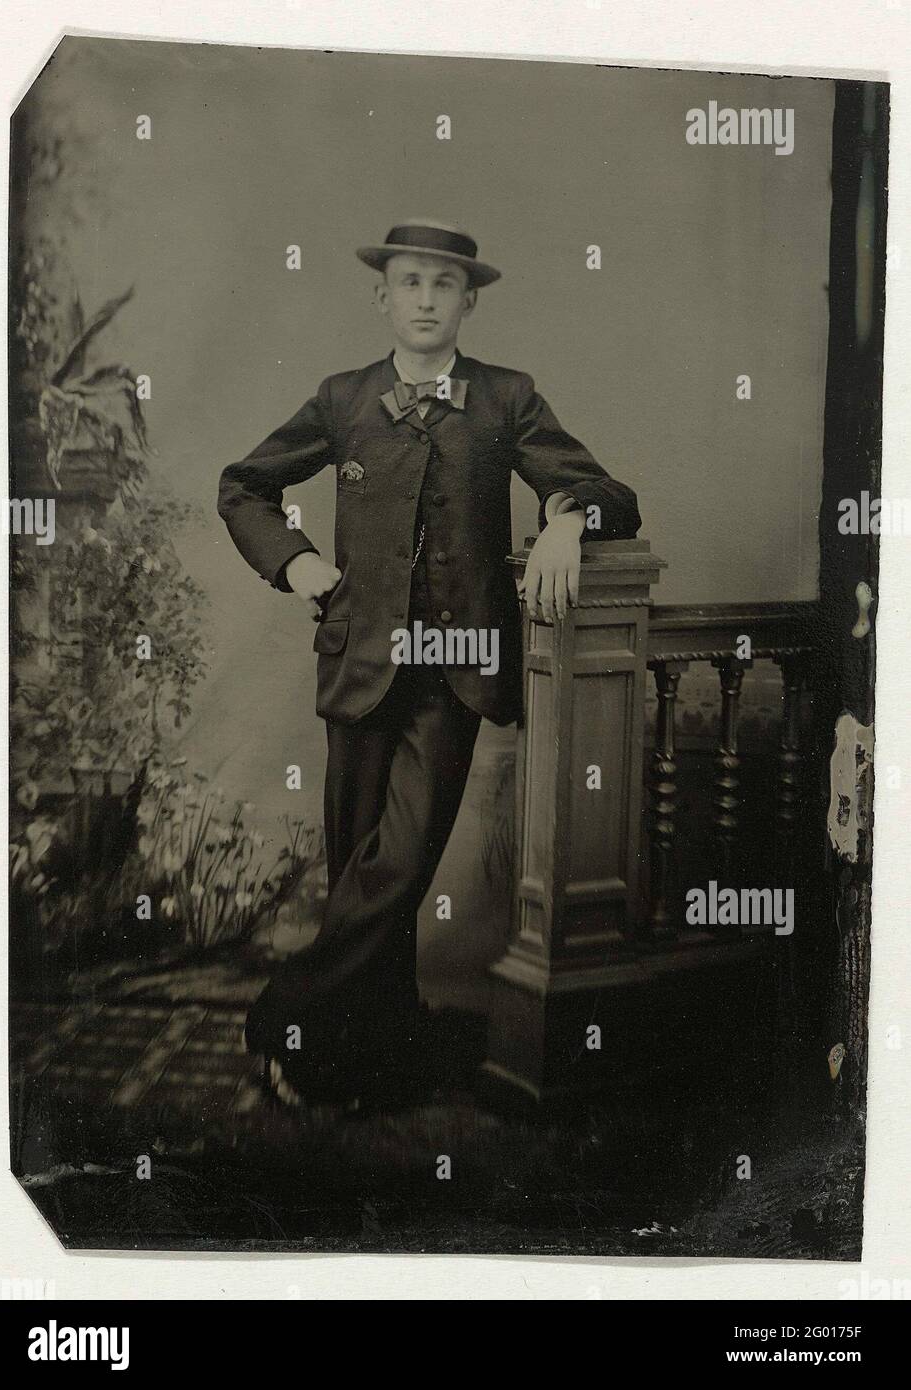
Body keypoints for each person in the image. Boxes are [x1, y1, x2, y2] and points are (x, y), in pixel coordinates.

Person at [217, 219, 641, 1105]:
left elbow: (611, 493)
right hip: (357, 664)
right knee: (359, 874)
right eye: (408, 282)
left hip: (450, 673)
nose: (423, 299)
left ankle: (277, 1021)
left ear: (467, 301)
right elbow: (244, 486)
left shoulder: (505, 398)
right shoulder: (342, 399)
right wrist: (297, 563)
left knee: (396, 867)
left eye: (441, 285)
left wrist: (566, 517)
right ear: (382, 296)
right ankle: (360, 1053)